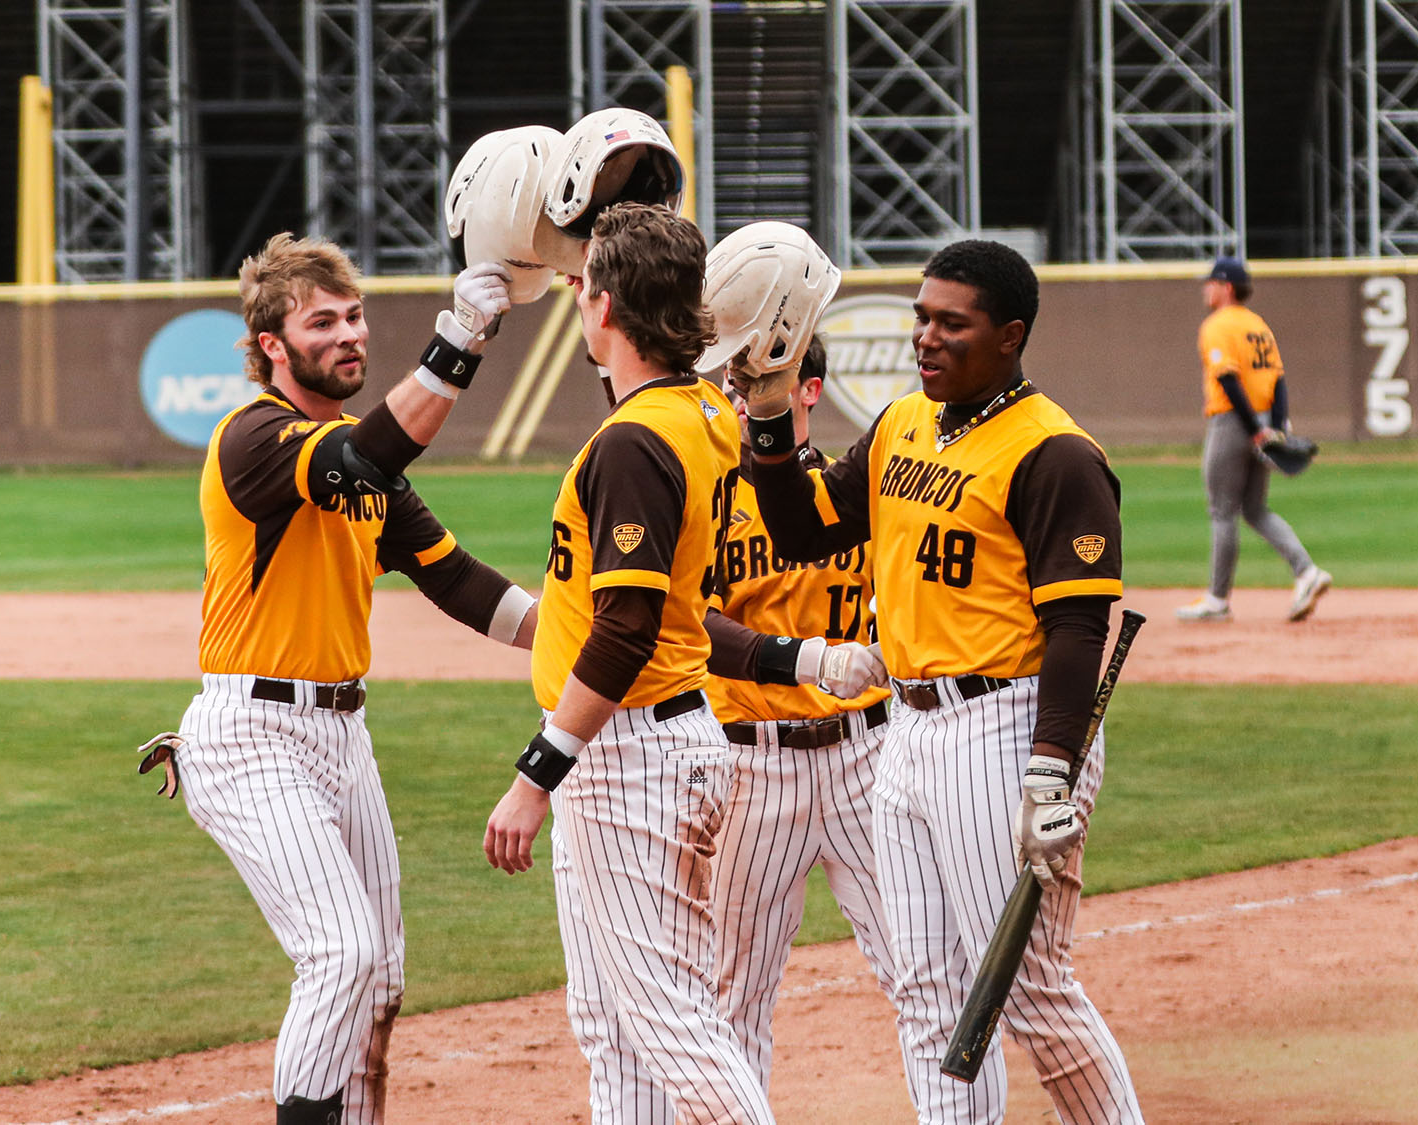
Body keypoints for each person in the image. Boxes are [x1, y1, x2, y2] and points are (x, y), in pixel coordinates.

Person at [731, 239, 1144, 1123]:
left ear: (1009, 335)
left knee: (1029, 992)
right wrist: (769, 412)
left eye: (950, 323)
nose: (925, 337)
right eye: (920, 317)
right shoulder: (900, 425)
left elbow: (1078, 627)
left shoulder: (1056, 454)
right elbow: (805, 529)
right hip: (908, 731)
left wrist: (1051, 769)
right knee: (927, 990)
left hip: (1008, 725)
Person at [136, 232, 537, 1125]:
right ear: (272, 345)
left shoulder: (367, 463)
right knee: (342, 951)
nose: (349, 333)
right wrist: (461, 337)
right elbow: (361, 459)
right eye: (322, 322)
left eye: (355, 316)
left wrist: (576, 641)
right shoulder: (255, 437)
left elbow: (457, 579)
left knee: (382, 974)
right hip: (251, 735)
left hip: (340, 734)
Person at [480, 202, 775, 1125]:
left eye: (584, 291)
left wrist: (538, 772)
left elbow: (626, 626)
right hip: (660, 738)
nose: (576, 303)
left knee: (672, 1023)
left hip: (630, 754)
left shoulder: (637, 440)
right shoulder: (698, 410)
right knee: (615, 1026)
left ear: (606, 308)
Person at [689, 221, 910, 1100]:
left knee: (922, 967)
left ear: (807, 386)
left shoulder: (853, 494)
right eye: (735, 379)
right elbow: (685, 621)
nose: (740, 395)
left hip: (867, 757)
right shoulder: (707, 493)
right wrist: (800, 661)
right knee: (732, 996)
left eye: (759, 377)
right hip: (752, 767)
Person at [1175, 255, 1331, 624]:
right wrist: (1275, 427)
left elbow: (1228, 380)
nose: (1205, 288)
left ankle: (1217, 600)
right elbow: (1278, 380)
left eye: (1210, 282)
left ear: (1226, 287)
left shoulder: (1218, 325)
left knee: (1222, 510)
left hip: (1233, 421)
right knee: (1255, 509)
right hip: (1263, 417)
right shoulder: (1258, 325)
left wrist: (1253, 429)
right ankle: (1306, 572)